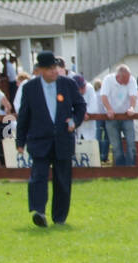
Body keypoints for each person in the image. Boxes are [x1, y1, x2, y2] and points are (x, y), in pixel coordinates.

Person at [16, 49, 86, 228]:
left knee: (62, 180)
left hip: (63, 139)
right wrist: (20, 142)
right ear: (40, 70)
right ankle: (39, 211)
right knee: (38, 177)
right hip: (39, 141)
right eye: (50, 68)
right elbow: (24, 115)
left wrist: (74, 121)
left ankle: (59, 217)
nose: (54, 71)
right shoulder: (30, 88)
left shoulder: (68, 84)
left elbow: (80, 106)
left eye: (55, 67)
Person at [100, 64, 138, 165]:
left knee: (131, 144)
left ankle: (131, 170)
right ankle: (120, 171)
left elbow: (133, 96)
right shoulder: (108, 80)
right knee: (116, 146)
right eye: (125, 79)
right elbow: (104, 96)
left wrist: (131, 108)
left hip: (126, 116)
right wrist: (109, 109)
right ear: (118, 76)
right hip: (112, 118)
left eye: (128, 78)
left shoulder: (131, 80)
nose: (128, 81)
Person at [72, 73, 98, 143]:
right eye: (81, 87)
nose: (83, 88)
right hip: (76, 129)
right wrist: (81, 114)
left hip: (89, 129)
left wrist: (82, 113)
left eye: (84, 86)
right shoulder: (70, 91)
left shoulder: (90, 88)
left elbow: (94, 107)